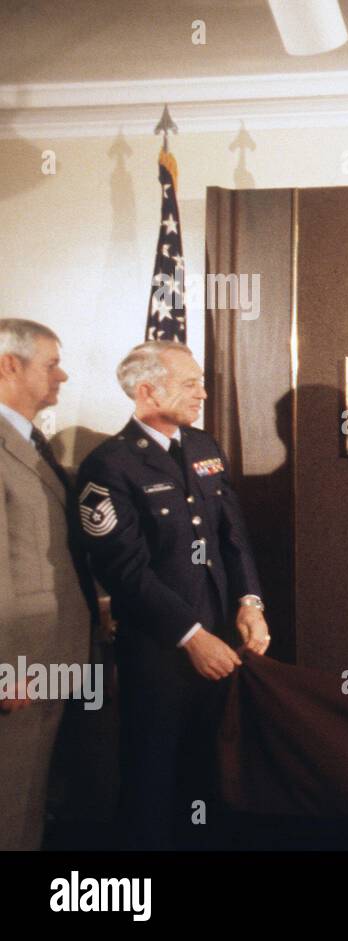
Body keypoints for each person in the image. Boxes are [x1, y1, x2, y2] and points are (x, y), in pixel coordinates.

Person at [76, 340, 269, 849]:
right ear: (147, 390)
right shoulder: (110, 465)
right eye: (190, 383)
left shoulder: (205, 447)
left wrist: (251, 604)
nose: (202, 393)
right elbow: (124, 570)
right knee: (153, 784)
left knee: (212, 776)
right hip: (160, 652)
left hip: (224, 645)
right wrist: (190, 636)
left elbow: (233, 537)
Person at [0, 319, 96, 850]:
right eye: (51, 363)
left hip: (48, 655)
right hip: (18, 664)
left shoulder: (30, 441)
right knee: (10, 799)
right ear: (8, 365)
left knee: (31, 795)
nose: (62, 375)